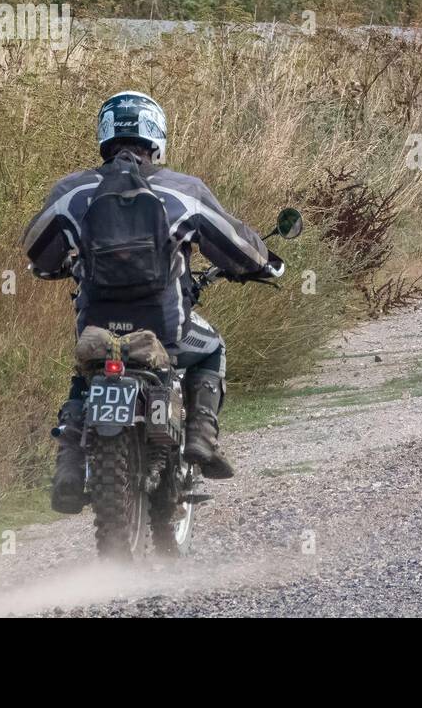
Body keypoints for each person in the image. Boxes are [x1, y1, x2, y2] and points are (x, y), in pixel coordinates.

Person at [22, 91, 281, 513]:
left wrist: (60, 264)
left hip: (97, 328)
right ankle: (200, 435)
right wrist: (263, 264)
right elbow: (238, 249)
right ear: (156, 136)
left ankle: (69, 464)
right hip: (168, 331)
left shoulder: (72, 192)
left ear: (104, 135)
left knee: (85, 373)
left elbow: (38, 252)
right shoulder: (182, 191)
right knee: (212, 347)